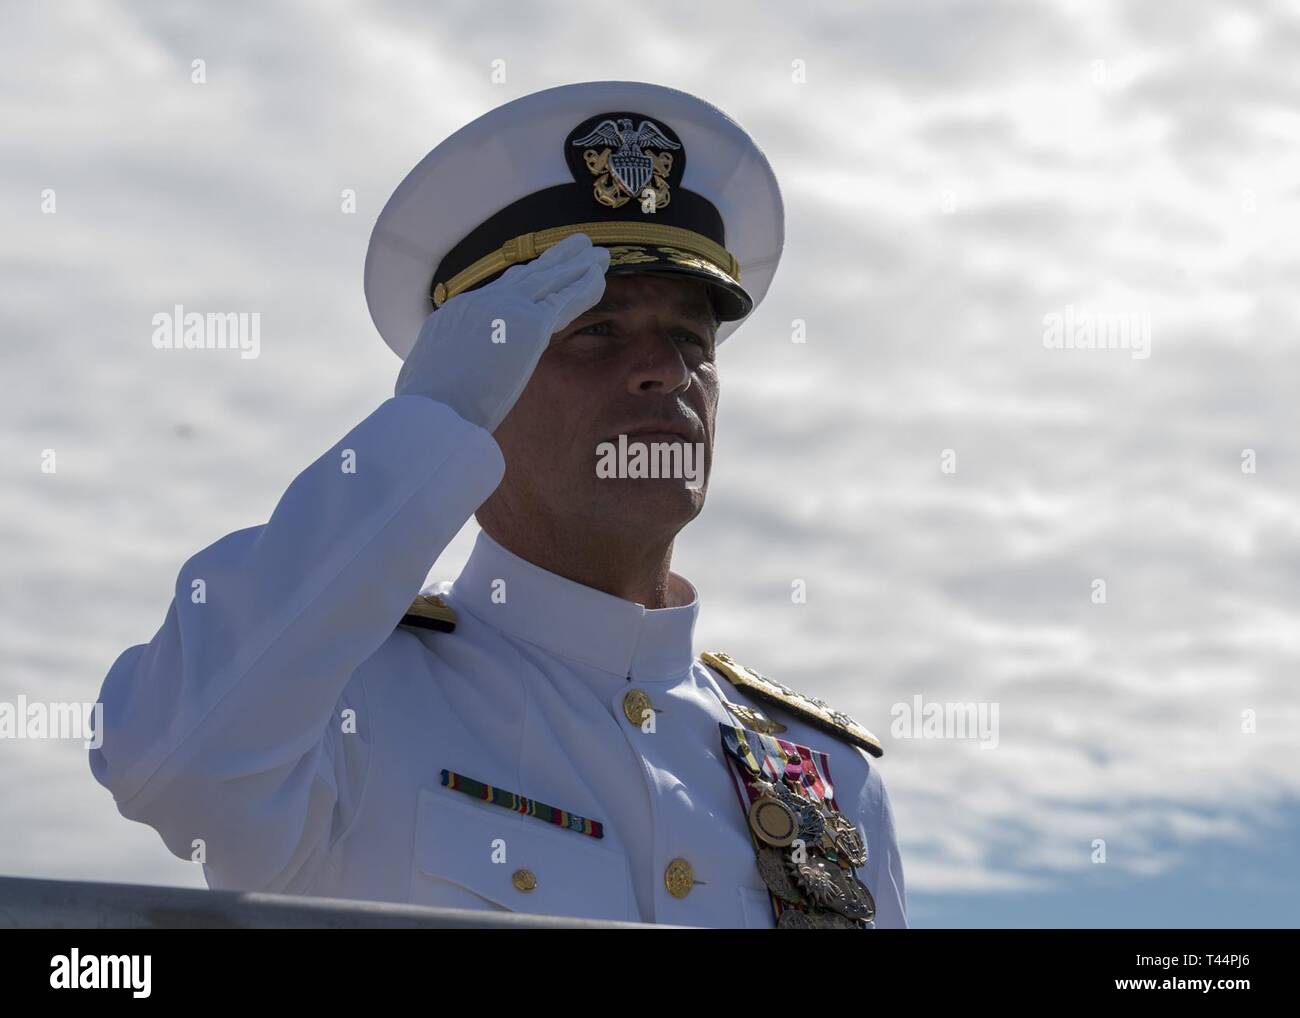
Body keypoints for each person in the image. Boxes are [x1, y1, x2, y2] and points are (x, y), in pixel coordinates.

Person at [89, 80, 907, 929]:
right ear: (489, 383)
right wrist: (432, 420)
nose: (665, 369)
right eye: (595, 330)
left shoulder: (829, 781)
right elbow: (167, 761)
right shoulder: (344, 699)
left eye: (692, 339)